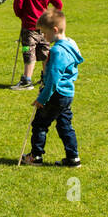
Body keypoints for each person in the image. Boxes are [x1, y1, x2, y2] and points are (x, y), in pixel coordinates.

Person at [19, 9, 83, 168]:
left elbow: (54, 79)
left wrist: (42, 99)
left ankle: (36, 156)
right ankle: (73, 158)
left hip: (55, 94)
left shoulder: (57, 51)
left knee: (40, 124)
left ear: (54, 30)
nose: (43, 37)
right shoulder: (71, 44)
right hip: (67, 93)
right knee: (64, 125)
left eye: (44, 34)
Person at [11, 0, 63, 91]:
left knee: (28, 51)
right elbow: (59, 4)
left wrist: (22, 16)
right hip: (44, 27)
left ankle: (27, 80)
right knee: (45, 51)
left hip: (29, 26)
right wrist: (49, 16)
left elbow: (18, 6)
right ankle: (46, 79)